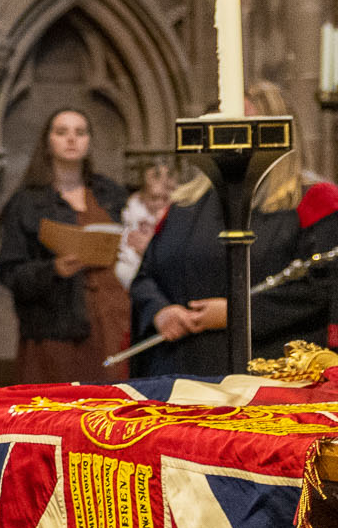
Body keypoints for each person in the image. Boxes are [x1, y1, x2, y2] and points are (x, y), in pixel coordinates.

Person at [128, 79, 338, 377]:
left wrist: (236, 314)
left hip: (266, 368)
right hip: (178, 366)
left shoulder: (314, 200)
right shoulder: (185, 204)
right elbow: (146, 276)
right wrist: (159, 311)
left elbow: (319, 288)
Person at [0, 107, 130, 383]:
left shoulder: (110, 193)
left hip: (114, 318)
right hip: (57, 329)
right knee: (62, 410)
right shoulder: (27, 202)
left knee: (114, 407)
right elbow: (10, 271)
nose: (71, 139)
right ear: (48, 141)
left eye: (80, 132)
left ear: (89, 142)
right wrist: (54, 269)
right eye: (62, 132)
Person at [115, 153, 178, 285]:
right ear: (142, 195)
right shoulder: (133, 211)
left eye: (165, 198)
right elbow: (127, 237)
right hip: (132, 263)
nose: (159, 203)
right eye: (154, 198)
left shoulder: (177, 213)